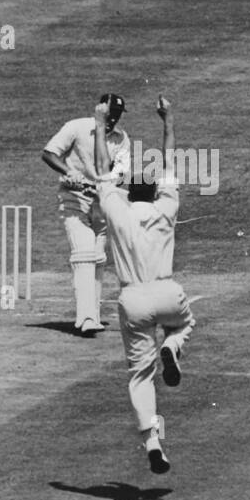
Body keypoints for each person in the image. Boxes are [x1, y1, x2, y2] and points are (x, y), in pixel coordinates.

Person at [93, 95, 195, 475]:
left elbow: (103, 167)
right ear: (152, 192)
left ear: (126, 191)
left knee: (140, 375)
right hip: (167, 291)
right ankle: (171, 346)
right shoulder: (166, 207)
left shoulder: (117, 211)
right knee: (184, 324)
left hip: (133, 299)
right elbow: (168, 160)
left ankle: (153, 441)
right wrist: (168, 119)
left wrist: (98, 120)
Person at [41, 94, 130, 335]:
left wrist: (103, 184)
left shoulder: (121, 138)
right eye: (110, 114)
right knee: (83, 254)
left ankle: (93, 316)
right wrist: (69, 172)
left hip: (102, 203)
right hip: (74, 200)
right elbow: (49, 154)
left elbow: (121, 173)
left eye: (117, 116)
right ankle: (87, 317)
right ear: (100, 110)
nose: (113, 120)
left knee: (98, 258)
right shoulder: (76, 127)